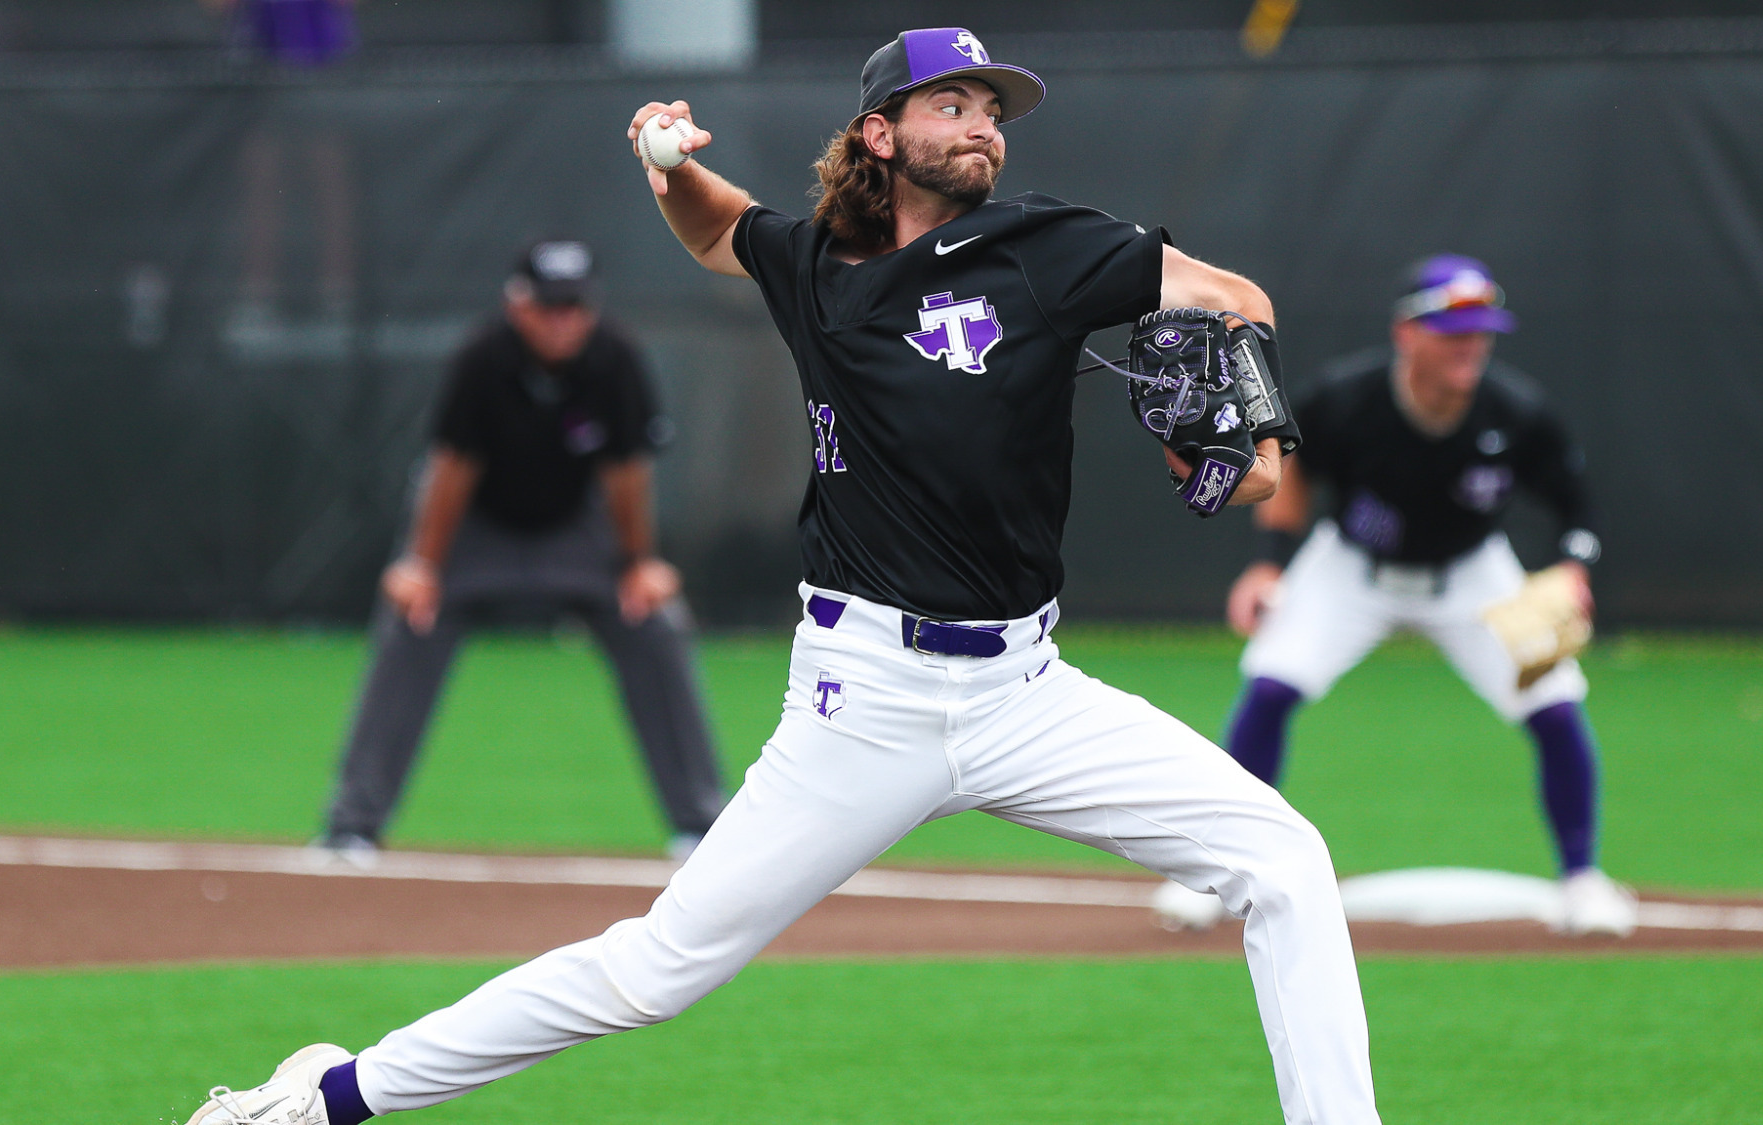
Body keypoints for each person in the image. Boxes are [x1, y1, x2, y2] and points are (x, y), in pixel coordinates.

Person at [184, 28, 1381, 1125]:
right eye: (950, 103)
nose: (980, 124)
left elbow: (1234, 301)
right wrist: (661, 155)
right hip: (861, 698)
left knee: (1283, 863)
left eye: (992, 108)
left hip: (1029, 695)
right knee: (655, 971)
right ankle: (320, 1100)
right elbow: (717, 227)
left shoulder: (1050, 249)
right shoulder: (817, 269)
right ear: (880, 132)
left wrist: (1260, 447)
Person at [1154, 255, 1635, 938]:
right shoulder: (1347, 400)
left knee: (1555, 704)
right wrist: (1268, 566)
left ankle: (1583, 878)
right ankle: (1216, 874)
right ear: (1408, 333)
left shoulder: (1515, 412)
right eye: (1453, 329)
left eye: (1482, 329)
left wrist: (1574, 566)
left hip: (1471, 573)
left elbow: (1577, 502)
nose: (1471, 344)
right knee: (1269, 687)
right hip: (1352, 570)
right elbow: (1291, 474)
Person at [313, 239, 725, 865]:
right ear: (519, 305)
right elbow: (451, 468)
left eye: (575, 308)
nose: (564, 322)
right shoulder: (483, 359)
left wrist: (638, 562)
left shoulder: (613, 356)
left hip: (576, 530)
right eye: (550, 307)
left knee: (655, 625)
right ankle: (353, 826)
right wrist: (422, 566)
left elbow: (626, 473)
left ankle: (698, 824)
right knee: (411, 622)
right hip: (479, 529)